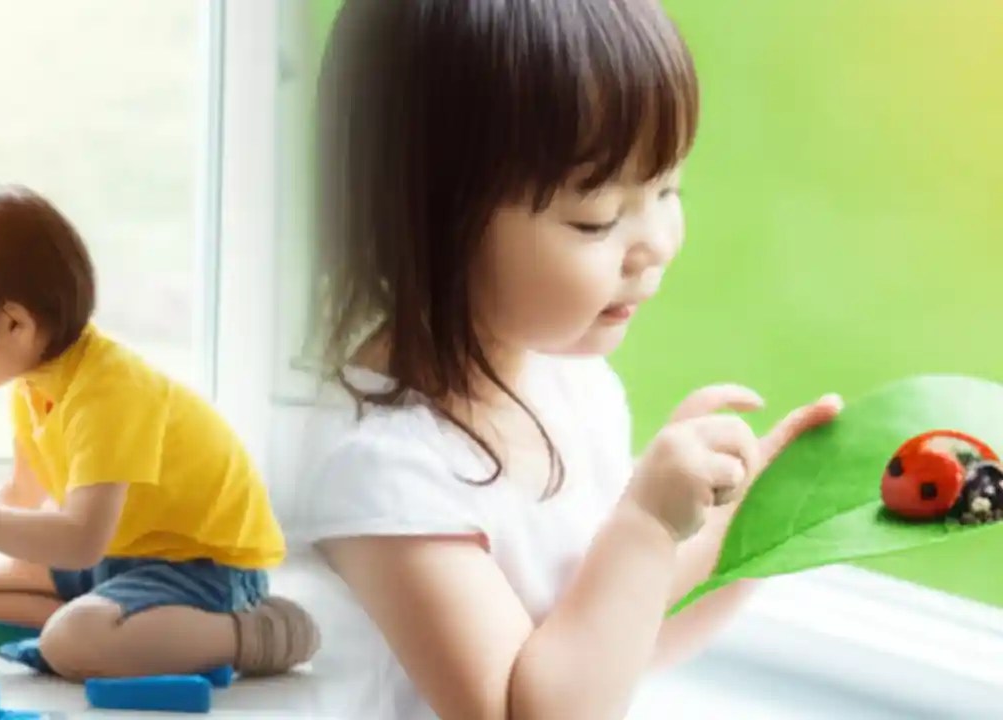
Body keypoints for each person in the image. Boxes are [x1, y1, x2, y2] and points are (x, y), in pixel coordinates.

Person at [292, 1, 842, 718]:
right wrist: (645, 522)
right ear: (428, 221)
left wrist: (753, 528)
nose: (656, 243)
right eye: (598, 220)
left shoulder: (571, 385)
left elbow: (616, 648)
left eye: (668, 188)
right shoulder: (384, 475)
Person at [0, 183, 319, 680]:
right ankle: (112, 636)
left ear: (15, 324)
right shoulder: (35, 385)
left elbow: (78, 541)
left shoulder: (107, 391)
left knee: (75, 641)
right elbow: (21, 497)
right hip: (120, 559)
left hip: (198, 567)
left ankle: (261, 631)